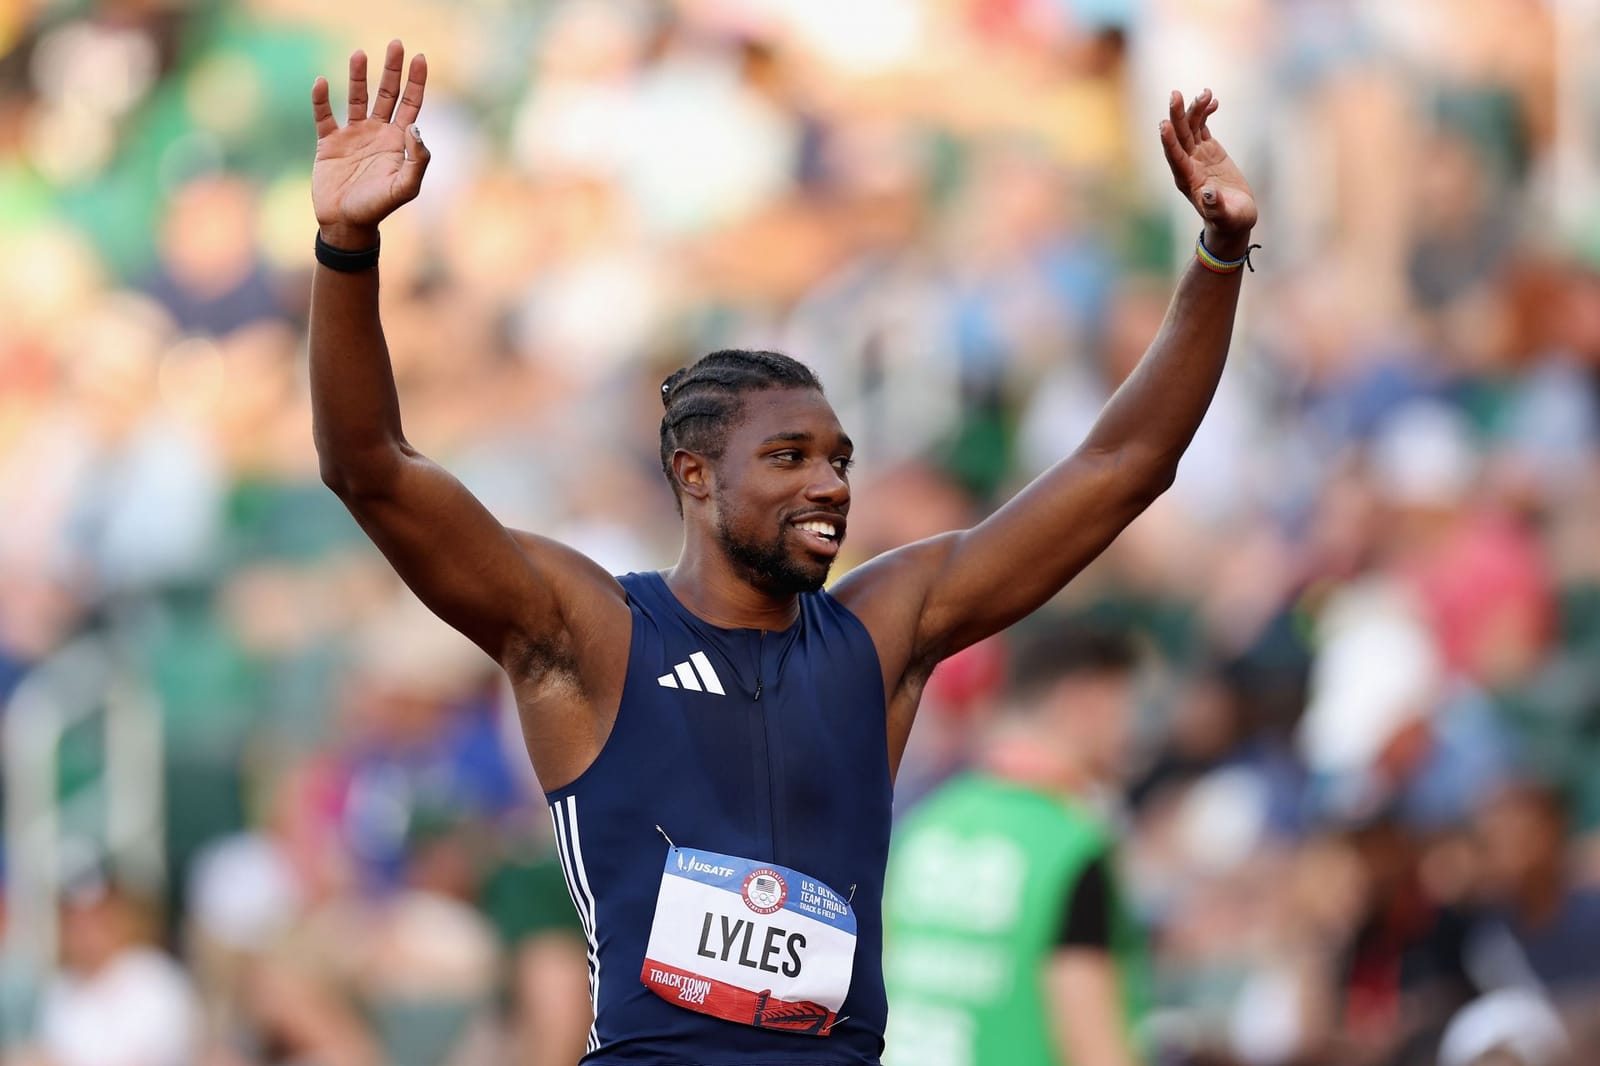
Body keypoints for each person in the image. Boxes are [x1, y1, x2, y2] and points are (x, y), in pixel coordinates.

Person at [307, 38, 1257, 1064]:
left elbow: (1123, 465)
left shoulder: (881, 631)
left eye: (840, 460)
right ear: (694, 474)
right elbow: (372, 467)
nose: (830, 485)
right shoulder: (587, 632)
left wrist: (1217, 256)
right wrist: (347, 250)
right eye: (789, 458)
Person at [881, 622, 1150, 1066]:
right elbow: (1095, 1046)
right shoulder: (1069, 846)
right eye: (1128, 708)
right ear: (1083, 702)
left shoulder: (927, 823)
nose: (1134, 732)